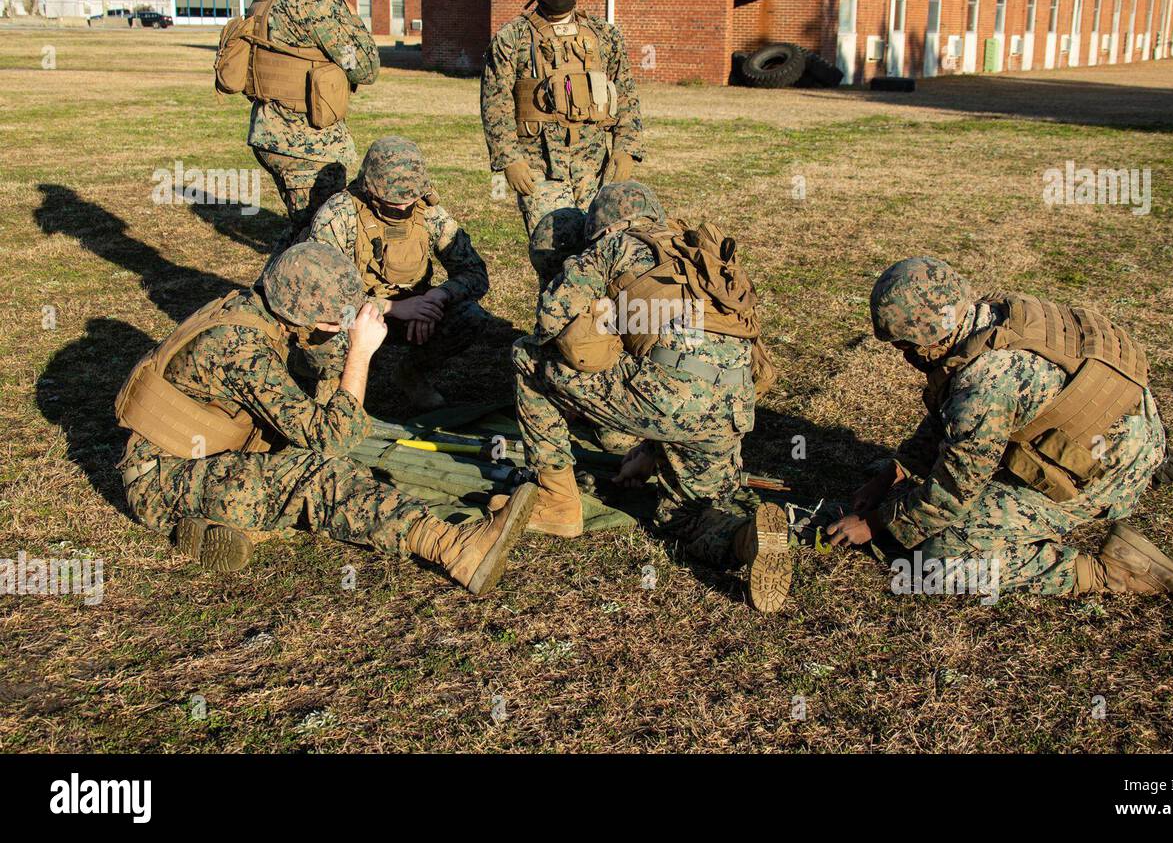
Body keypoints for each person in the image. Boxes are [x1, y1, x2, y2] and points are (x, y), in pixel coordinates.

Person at [114, 242, 534, 591]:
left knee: (320, 389)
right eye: (333, 319)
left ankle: (217, 521)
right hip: (163, 480)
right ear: (300, 313)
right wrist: (360, 353)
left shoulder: (260, 306)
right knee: (321, 472)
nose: (340, 325)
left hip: (194, 460)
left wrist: (387, 311)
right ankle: (455, 547)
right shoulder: (239, 350)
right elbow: (335, 438)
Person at [826, 256, 1173, 606]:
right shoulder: (991, 319)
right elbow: (951, 413)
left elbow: (956, 488)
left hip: (1106, 469)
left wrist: (876, 523)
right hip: (1126, 428)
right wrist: (895, 472)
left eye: (905, 346)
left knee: (939, 560)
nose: (905, 355)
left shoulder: (986, 383)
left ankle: (1110, 571)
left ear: (929, 336)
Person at [511, 181, 790, 612]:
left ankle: (557, 502)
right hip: (732, 408)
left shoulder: (611, 248)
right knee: (686, 515)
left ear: (599, 227)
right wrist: (651, 449)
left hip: (664, 400)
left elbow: (551, 320)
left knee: (527, 357)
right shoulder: (698, 252)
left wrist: (599, 325)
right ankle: (742, 539)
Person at [480, 0, 644, 287]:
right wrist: (508, 159)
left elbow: (626, 95)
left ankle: (595, 333)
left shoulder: (605, 36)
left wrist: (626, 148)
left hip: (595, 165)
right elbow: (495, 102)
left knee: (602, 246)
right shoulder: (511, 39)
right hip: (539, 167)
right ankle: (555, 330)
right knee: (552, 253)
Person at [305, 135, 496, 411]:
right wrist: (392, 307)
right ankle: (332, 391)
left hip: (415, 311)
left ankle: (411, 374)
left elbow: (475, 273)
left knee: (470, 317)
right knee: (327, 330)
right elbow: (319, 299)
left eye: (410, 199)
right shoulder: (338, 216)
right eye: (392, 201)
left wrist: (437, 297)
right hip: (353, 314)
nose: (404, 207)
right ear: (369, 189)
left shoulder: (430, 215)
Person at [244, 0, 379, 247]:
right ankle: (262, 301)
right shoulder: (312, 0)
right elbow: (365, 66)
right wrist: (349, 13)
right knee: (320, 245)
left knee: (303, 233)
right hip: (305, 143)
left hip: (274, 132)